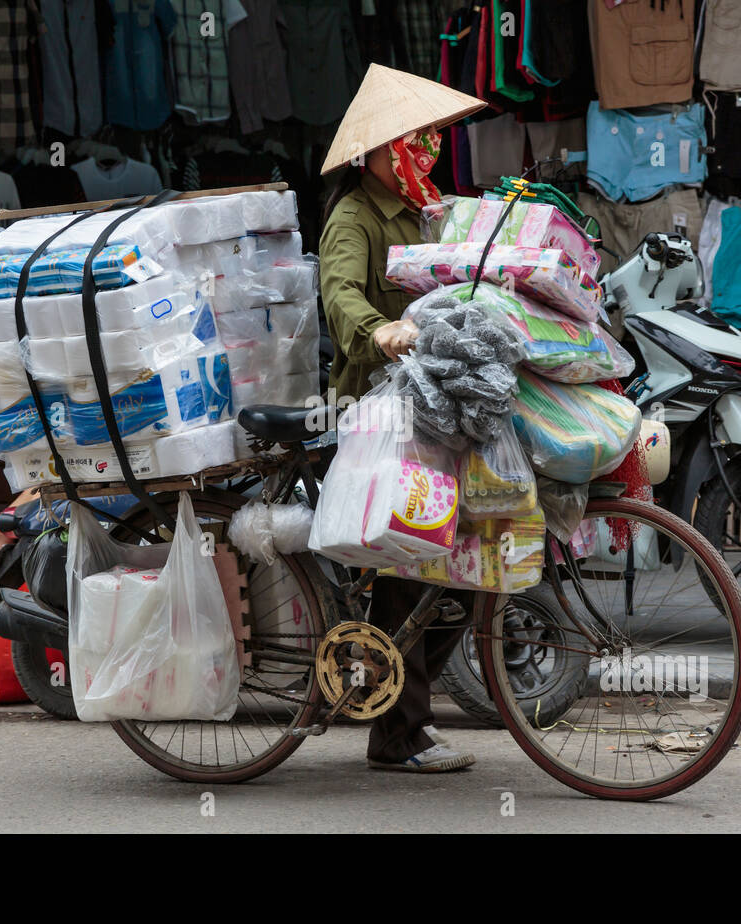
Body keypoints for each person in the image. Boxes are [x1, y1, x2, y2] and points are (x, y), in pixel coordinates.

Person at [318, 65, 487, 772]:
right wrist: (381, 330)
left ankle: (405, 722)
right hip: (377, 410)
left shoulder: (427, 210)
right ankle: (397, 735)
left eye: (428, 143)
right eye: (413, 145)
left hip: (434, 401)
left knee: (461, 565)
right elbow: (338, 294)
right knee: (408, 568)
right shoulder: (354, 216)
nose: (425, 155)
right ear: (383, 153)